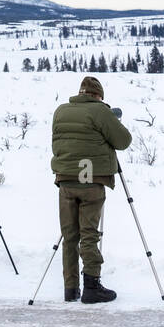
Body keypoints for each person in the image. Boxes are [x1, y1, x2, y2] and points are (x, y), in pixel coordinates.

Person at [50, 76, 131, 303]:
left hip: (65, 179)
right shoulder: (100, 111)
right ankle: (92, 287)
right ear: (98, 95)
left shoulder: (60, 111)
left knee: (69, 236)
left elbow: (57, 142)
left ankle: (70, 289)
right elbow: (123, 141)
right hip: (91, 180)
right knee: (89, 234)